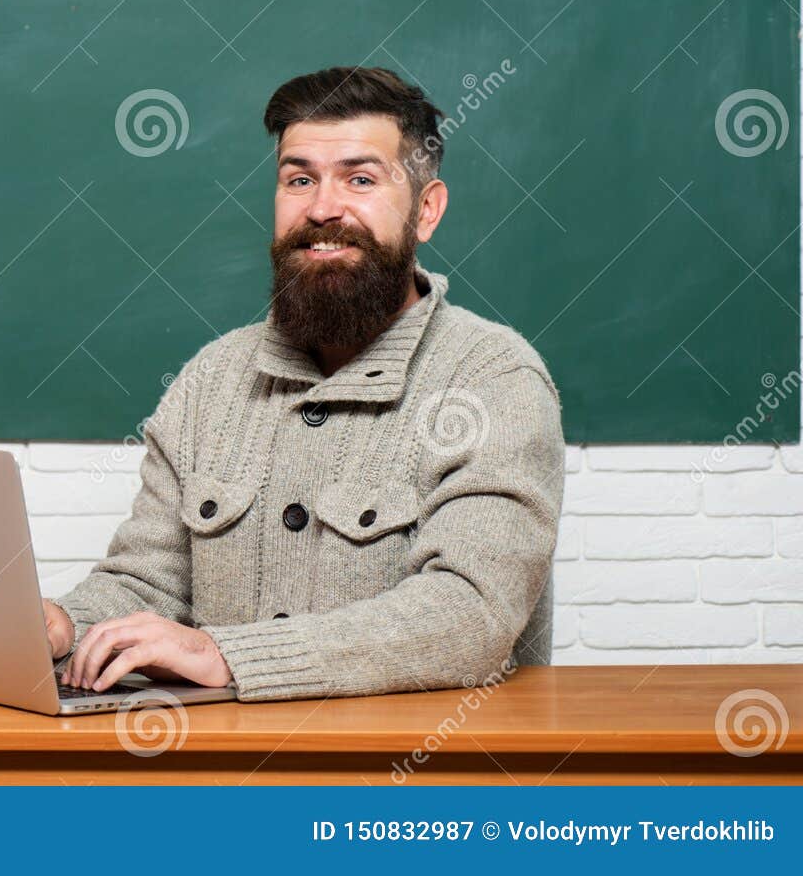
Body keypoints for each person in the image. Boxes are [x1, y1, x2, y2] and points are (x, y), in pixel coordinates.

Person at [44, 66, 565, 701]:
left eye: (361, 179)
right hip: (228, 779)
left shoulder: (494, 380)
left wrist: (226, 654)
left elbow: (468, 616)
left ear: (426, 211)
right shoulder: (210, 380)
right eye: (298, 179)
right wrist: (65, 627)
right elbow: (148, 584)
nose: (322, 208)